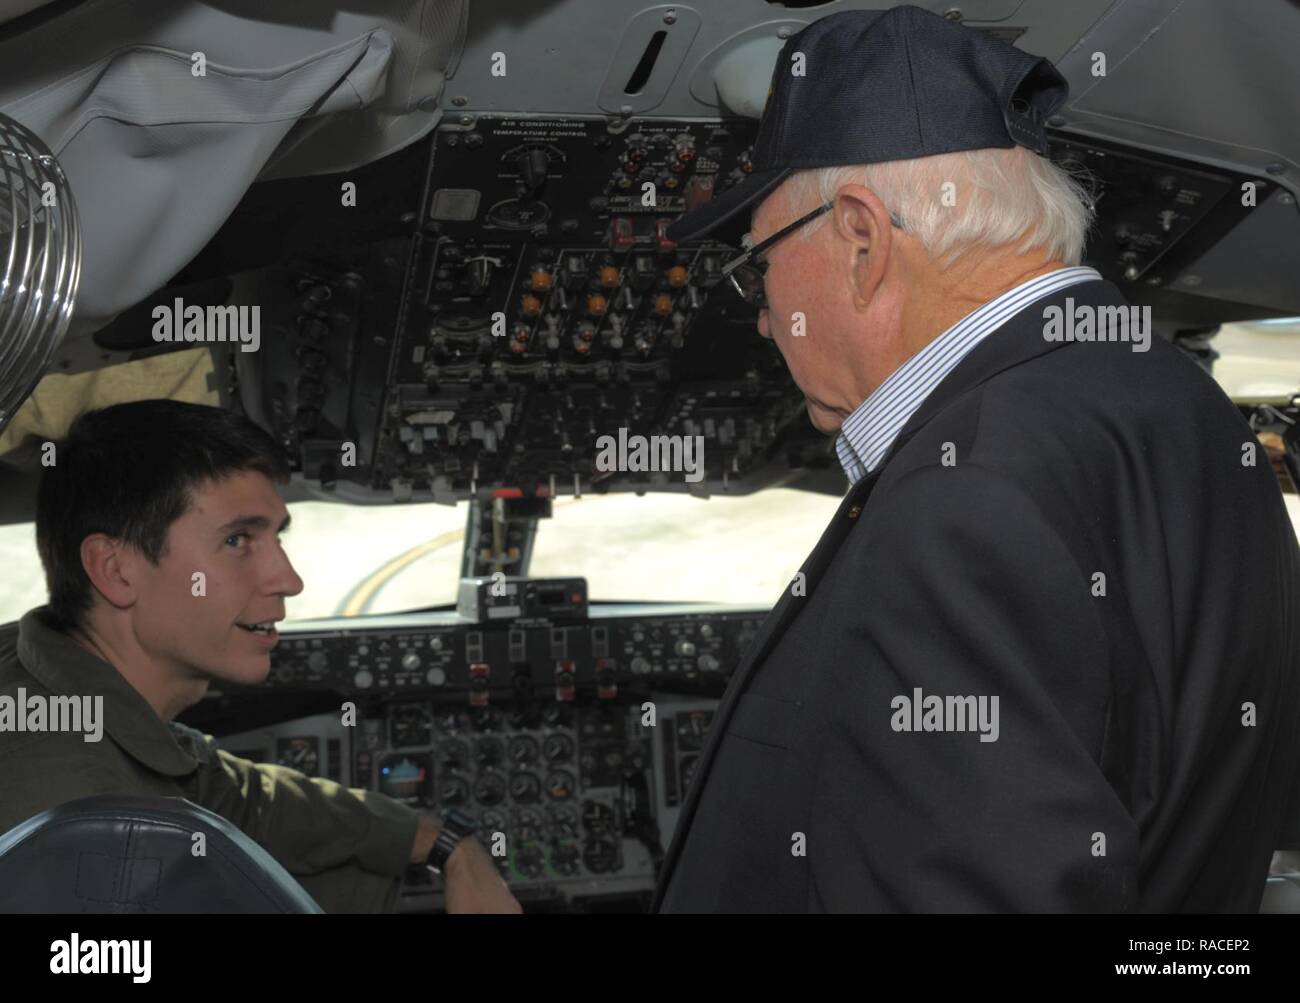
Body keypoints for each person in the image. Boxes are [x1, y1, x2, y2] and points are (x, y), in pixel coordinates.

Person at [652, 5, 1300, 912]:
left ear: (862, 242)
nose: (761, 313)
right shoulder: (1184, 409)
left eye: (759, 264)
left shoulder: (967, 492)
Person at [0, 398, 520, 914]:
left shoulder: (62, 689)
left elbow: (246, 798)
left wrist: (447, 843)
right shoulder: (84, 818)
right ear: (115, 570)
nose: (289, 580)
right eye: (237, 540)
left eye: (275, 537)